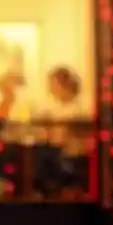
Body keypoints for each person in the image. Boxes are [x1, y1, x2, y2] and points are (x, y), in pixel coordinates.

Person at [35, 66, 89, 197]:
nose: (51, 89)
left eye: (54, 85)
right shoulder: (53, 106)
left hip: (69, 153)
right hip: (52, 149)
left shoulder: (77, 109)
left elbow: (67, 134)